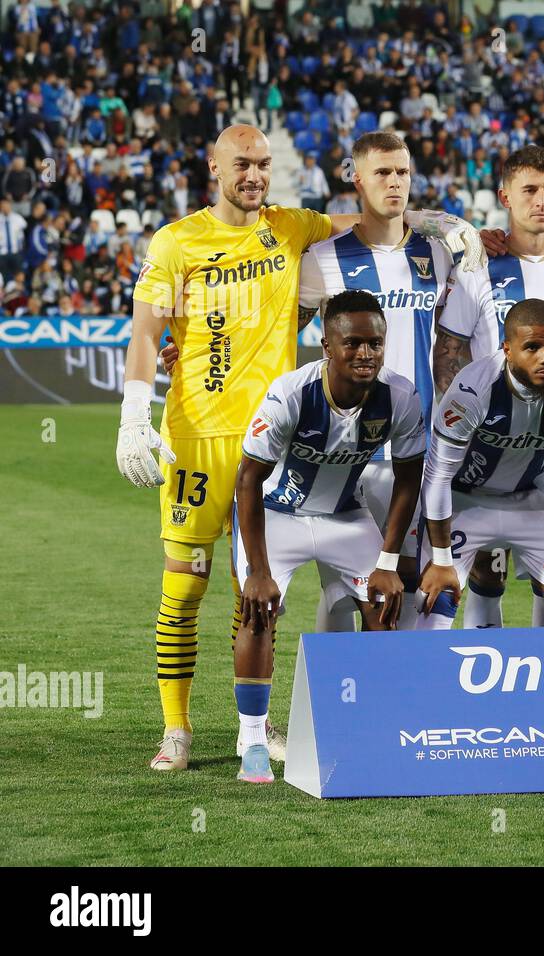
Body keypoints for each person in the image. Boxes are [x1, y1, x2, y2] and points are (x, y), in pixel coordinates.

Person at [121, 123, 483, 773]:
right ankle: (176, 729)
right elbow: (146, 331)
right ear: (213, 166)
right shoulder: (177, 242)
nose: (255, 174)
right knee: (185, 585)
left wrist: (435, 218)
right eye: (242, 164)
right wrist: (131, 414)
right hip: (199, 441)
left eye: (263, 163)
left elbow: (367, 215)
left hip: (281, 441)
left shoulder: (291, 226)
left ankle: (255, 731)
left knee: (258, 592)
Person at [232, 290, 425, 782]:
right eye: (353, 343)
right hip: (277, 516)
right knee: (259, 609)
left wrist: (387, 561)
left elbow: (409, 478)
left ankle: (372, 731)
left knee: (384, 604)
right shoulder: (291, 394)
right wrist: (257, 570)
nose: (365, 354)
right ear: (327, 346)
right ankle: (252, 739)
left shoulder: (399, 396)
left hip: (345, 514)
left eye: (375, 344)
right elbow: (248, 480)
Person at [434, 145, 544, 629]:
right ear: (505, 195)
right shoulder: (478, 266)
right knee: (486, 575)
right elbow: (449, 354)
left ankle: (541, 687)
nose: (542, 201)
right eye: (529, 189)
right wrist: (466, 429)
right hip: (489, 451)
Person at [298, 131, 455, 632]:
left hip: (418, 453)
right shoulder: (322, 260)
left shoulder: (441, 255)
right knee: (344, 591)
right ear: (357, 179)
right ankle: (328, 709)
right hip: (345, 455)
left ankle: (398, 708)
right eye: (382, 172)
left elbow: (454, 348)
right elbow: (274, 340)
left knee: (408, 585)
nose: (394, 182)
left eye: (402, 172)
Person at [418, 299, 544, 628]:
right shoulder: (472, 390)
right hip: (464, 499)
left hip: (529, 498)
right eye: (532, 347)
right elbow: (437, 477)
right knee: (435, 600)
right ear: (507, 349)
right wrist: (441, 559)